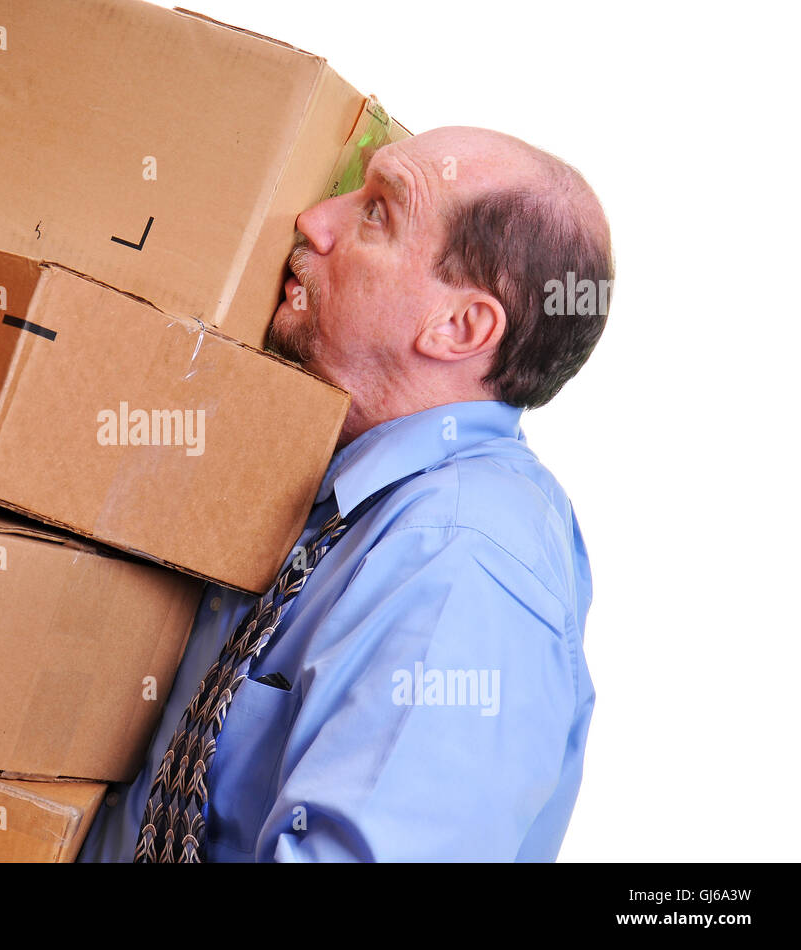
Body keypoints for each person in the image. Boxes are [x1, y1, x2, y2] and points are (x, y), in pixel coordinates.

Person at [79, 126, 612, 862]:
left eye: (376, 213)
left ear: (458, 326)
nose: (314, 220)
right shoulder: (331, 496)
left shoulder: (462, 563)